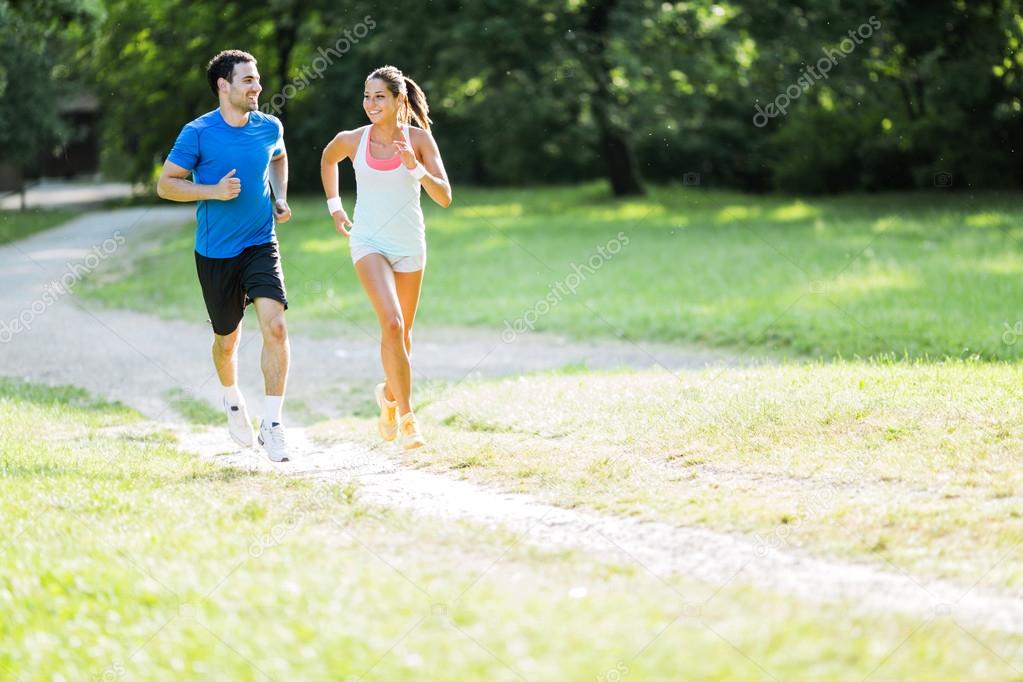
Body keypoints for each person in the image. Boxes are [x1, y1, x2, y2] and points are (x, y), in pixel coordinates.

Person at [156, 49, 293, 462]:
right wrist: (212, 191)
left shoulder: (269, 126)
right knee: (227, 340)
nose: (257, 87)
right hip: (216, 252)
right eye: (248, 80)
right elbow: (167, 184)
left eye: (257, 79)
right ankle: (233, 400)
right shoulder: (198, 133)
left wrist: (280, 197)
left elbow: (279, 156)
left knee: (276, 327)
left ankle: (273, 424)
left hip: (260, 242)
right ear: (223, 85)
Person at [320, 65, 452, 449]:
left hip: (409, 244)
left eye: (379, 96)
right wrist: (335, 207)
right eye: (367, 96)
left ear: (399, 99)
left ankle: (389, 396)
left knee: (403, 335)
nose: (371, 103)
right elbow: (328, 159)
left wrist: (416, 168)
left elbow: (445, 197)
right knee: (391, 324)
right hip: (368, 242)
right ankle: (409, 420)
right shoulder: (353, 140)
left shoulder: (419, 140)